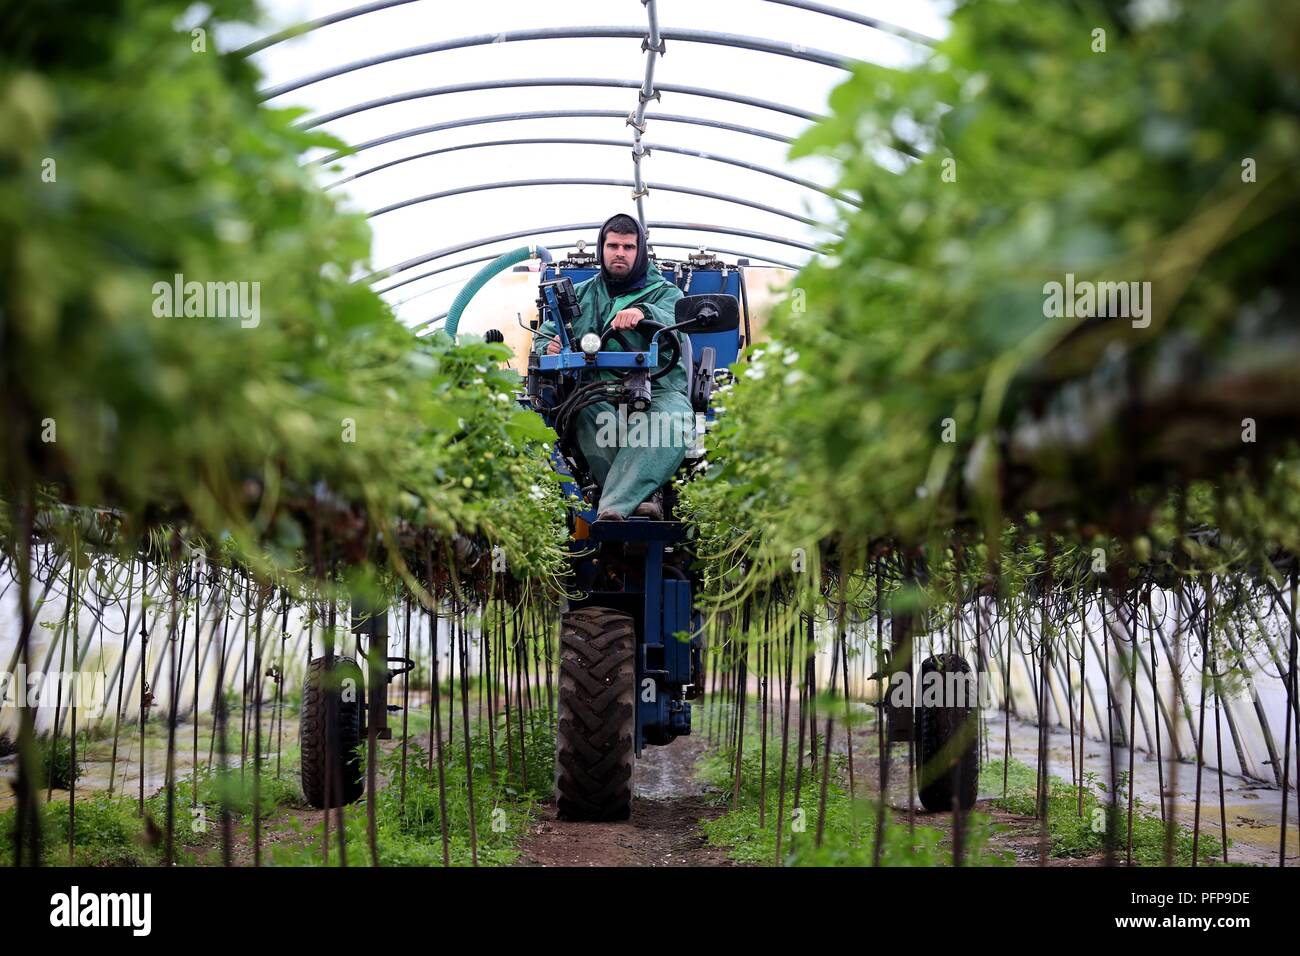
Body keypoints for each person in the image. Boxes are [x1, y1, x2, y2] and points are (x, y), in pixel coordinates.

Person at [532, 213, 693, 520]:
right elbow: (548, 333)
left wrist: (643, 312)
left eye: (629, 247)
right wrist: (547, 345)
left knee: (671, 422)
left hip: (657, 392)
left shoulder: (665, 293)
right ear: (601, 249)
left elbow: (678, 319)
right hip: (599, 392)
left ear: (640, 251)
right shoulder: (582, 294)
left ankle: (613, 510)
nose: (620, 252)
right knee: (584, 414)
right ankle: (645, 500)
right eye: (613, 245)